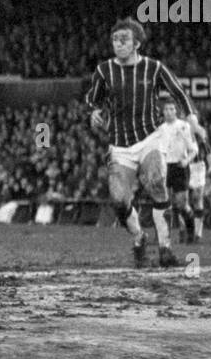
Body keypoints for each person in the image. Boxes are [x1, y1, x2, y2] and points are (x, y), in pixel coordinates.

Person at [85, 17, 199, 268]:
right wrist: (93, 112)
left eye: (124, 39)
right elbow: (93, 100)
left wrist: (192, 118)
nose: (118, 43)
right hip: (119, 145)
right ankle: (139, 237)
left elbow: (179, 92)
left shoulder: (154, 68)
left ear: (137, 43)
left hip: (149, 138)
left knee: (158, 184)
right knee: (118, 200)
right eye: (115, 39)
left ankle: (166, 249)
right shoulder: (104, 71)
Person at [155, 95, 199, 246]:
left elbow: (194, 150)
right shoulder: (160, 129)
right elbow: (159, 151)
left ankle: (191, 232)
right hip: (166, 168)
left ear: (176, 111)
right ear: (163, 112)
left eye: (171, 109)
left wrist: (187, 160)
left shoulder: (184, 126)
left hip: (180, 167)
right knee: (163, 204)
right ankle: (162, 237)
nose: (168, 112)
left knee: (181, 204)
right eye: (166, 109)